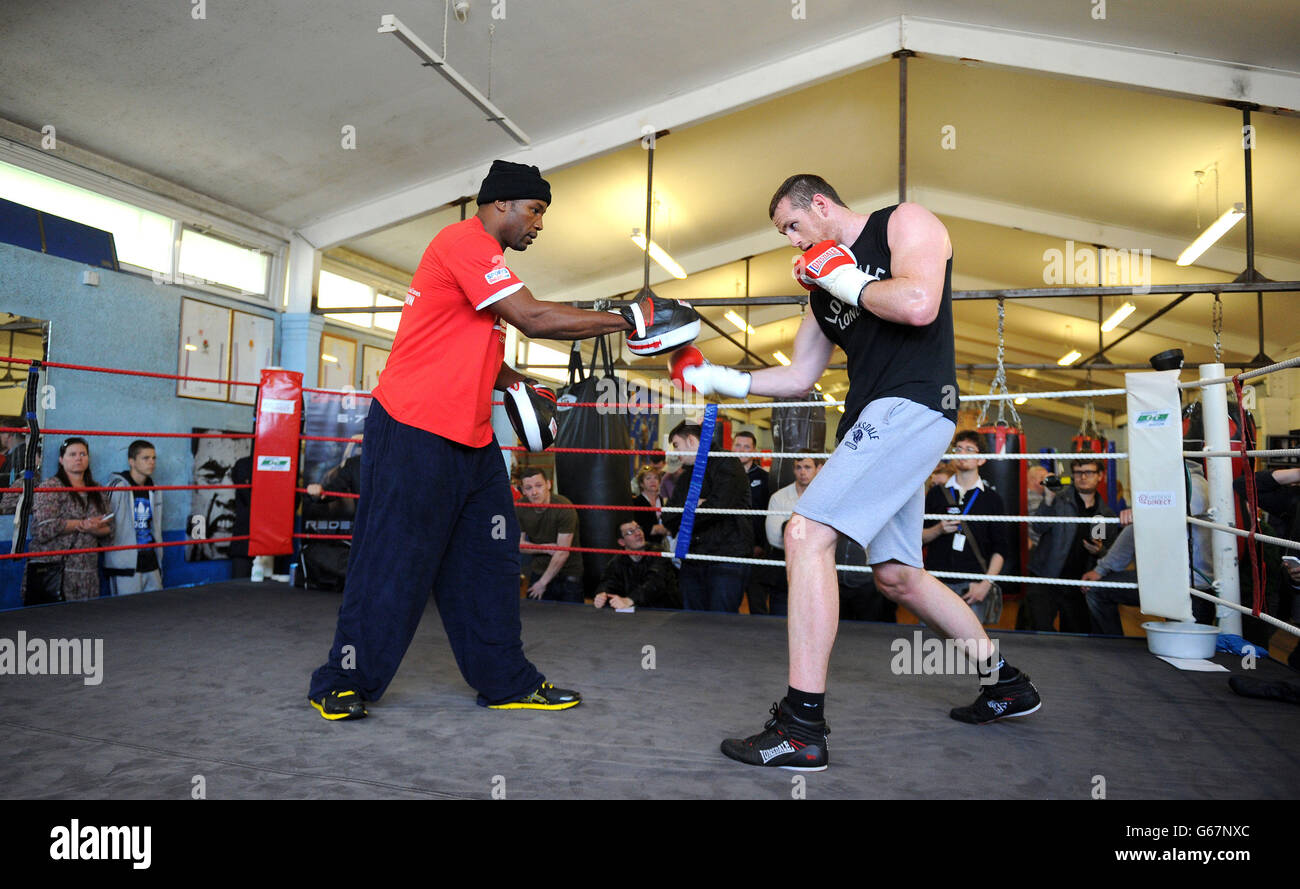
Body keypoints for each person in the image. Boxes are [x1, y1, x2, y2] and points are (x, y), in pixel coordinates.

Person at [674, 175, 1039, 770]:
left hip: (913, 404)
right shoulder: (822, 289)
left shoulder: (903, 223)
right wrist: (716, 379)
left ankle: (801, 726)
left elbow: (919, 304)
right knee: (898, 575)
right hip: (874, 418)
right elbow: (798, 378)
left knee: (804, 533)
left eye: (793, 226)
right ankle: (1006, 683)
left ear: (820, 204)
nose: (791, 243)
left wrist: (842, 276)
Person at [308, 159, 683, 719]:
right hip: (413, 427)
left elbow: (474, 349)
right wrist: (628, 317)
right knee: (392, 561)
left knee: (490, 563)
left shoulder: (487, 266)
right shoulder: (463, 243)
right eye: (534, 210)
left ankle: (507, 681)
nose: (538, 223)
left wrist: (520, 383)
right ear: (501, 204)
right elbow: (531, 317)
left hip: (471, 439)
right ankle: (341, 681)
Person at [1083, 460, 1214, 635]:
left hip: (1190, 586)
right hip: (1157, 579)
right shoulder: (1156, 486)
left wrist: (1143, 509)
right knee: (1096, 590)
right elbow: (1132, 530)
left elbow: (1176, 509)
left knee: (1184, 649)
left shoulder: (1197, 484)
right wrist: (1101, 569)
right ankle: (1114, 647)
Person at [661, 421, 753, 612]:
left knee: (720, 624)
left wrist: (688, 510)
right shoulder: (686, 475)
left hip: (725, 558)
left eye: (677, 445)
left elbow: (717, 508)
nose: (676, 453)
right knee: (692, 623)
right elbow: (668, 516)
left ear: (692, 441)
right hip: (693, 558)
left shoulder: (726, 462)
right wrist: (695, 506)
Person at [922, 430, 1012, 624]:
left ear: (981, 460)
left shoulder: (992, 499)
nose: (962, 454)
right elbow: (917, 538)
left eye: (969, 449)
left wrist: (985, 584)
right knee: (927, 645)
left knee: (968, 649)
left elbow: (1000, 548)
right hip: (935, 583)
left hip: (973, 585)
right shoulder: (936, 494)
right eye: (958, 449)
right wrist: (937, 529)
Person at [1024, 458, 1117, 632]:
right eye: (1078, 472)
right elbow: (1038, 527)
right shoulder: (1058, 501)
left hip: (1078, 585)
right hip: (1046, 578)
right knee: (1037, 633)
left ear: (1100, 476)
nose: (1083, 477)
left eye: (1088, 472)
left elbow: (1110, 553)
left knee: (1075, 640)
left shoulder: (1104, 513)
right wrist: (1048, 499)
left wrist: (1099, 551)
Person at [25, 437, 113, 603]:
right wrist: (83, 524)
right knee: (52, 625)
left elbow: (109, 528)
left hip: (87, 574)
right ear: (61, 459)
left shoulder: (98, 491)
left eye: (83, 454)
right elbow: (44, 527)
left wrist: (91, 527)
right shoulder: (50, 487)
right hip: (55, 571)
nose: (78, 458)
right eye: (72, 454)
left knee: (84, 624)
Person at [761, 455, 821, 617]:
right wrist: (812, 535)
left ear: (818, 469)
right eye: (798, 467)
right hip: (783, 569)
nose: (802, 472)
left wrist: (790, 527)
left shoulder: (826, 498)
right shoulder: (778, 497)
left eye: (807, 467)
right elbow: (773, 536)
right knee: (779, 618)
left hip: (816, 570)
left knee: (812, 618)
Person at [515, 466, 585, 603]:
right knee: (536, 619)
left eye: (539, 485)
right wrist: (545, 548)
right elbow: (517, 545)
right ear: (523, 491)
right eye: (528, 488)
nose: (534, 492)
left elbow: (562, 552)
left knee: (575, 621)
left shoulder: (564, 508)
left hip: (569, 572)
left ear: (548, 484)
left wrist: (542, 583)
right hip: (539, 569)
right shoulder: (519, 507)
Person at [104, 440, 164, 595]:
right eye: (145, 458)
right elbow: (105, 522)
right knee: (127, 614)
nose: (151, 462)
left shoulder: (155, 489)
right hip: (125, 564)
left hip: (151, 561)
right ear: (132, 461)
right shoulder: (117, 486)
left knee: (156, 611)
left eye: (153, 458)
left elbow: (155, 526)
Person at [592, 518, 679, 610]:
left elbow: (654, 584)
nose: (638, 533)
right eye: (630, 532)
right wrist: (602, 595)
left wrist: (630, 600)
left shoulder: (658, 553)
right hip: (636, 613)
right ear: (622, 542)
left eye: (638, 528)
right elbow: (608, 581)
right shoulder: (617, 561)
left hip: (664, 612)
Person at [631, 465, 669, 547]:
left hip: (663, 545)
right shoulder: (637, 502)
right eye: (648, 478)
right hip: (645, 546)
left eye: (655, 478)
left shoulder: (663, 500)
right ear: (641, 484)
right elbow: (644, 528)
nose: (653, 481)